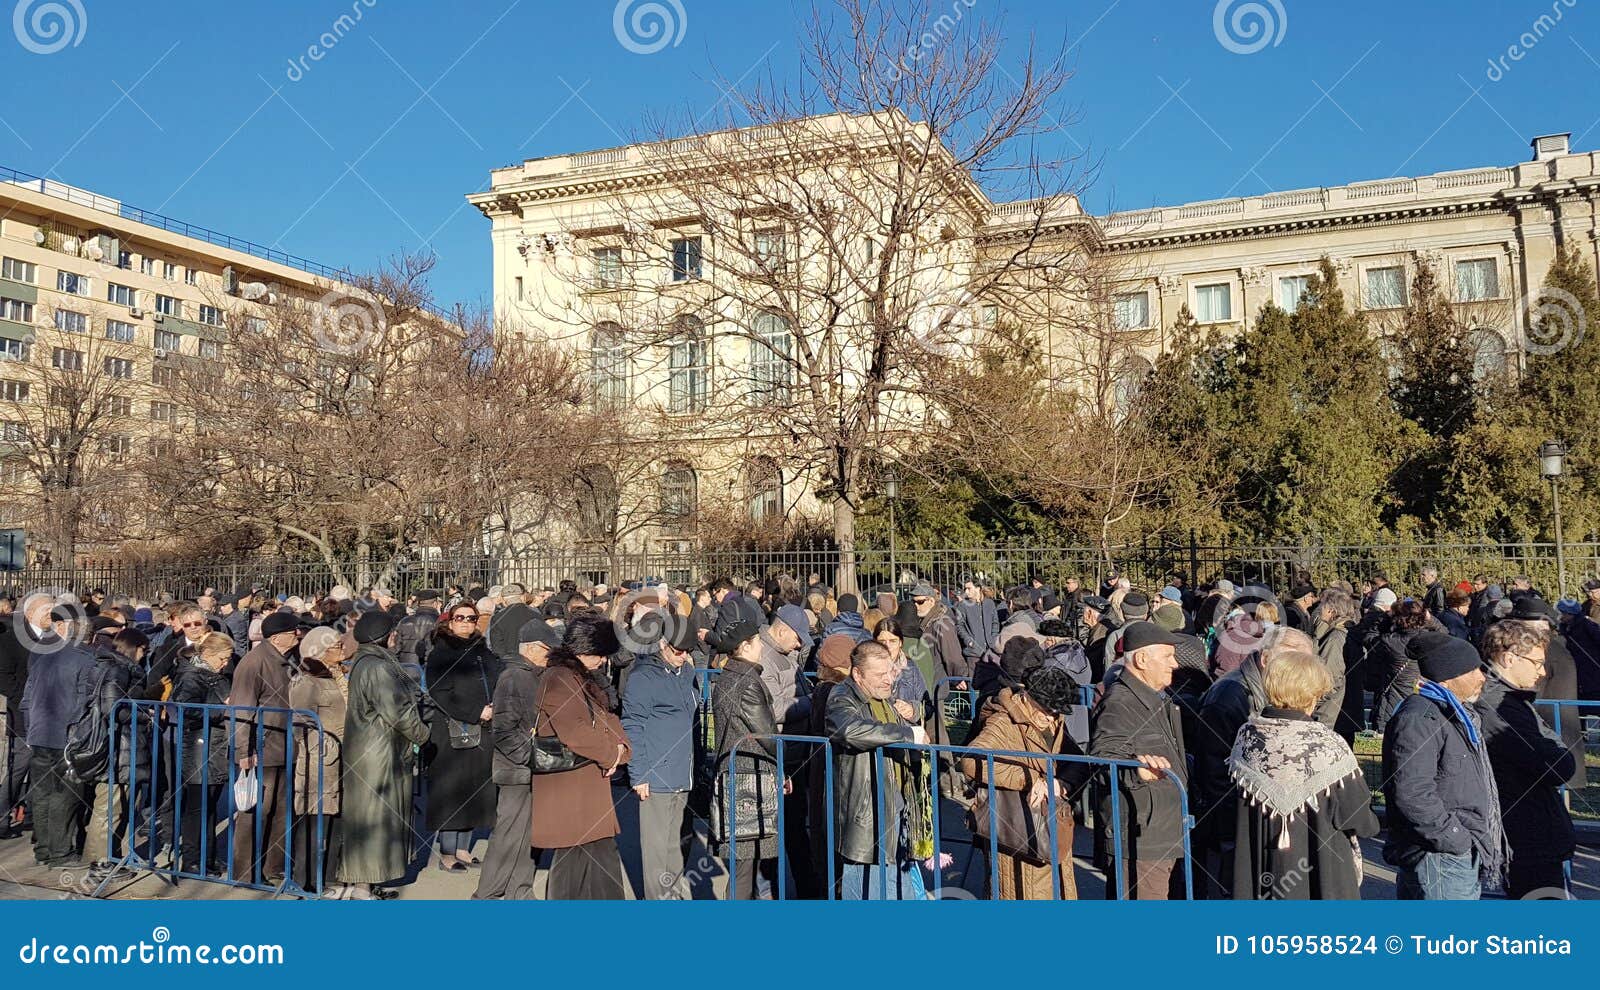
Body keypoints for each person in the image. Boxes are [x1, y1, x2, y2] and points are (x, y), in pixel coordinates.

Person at [1227, 651, 1378, 900]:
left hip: (1262, 862)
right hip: (1324, 870)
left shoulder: (1247, 737)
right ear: (1312, 694)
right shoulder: (1327, 744)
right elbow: (1356, 814)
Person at [1381, 632, 1505, 900]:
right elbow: (1411, 792)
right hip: (1440, 857)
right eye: (1473, 670)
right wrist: (1456, 839)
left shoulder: (1453, 714)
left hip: (1452, 852)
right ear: (1449, 677)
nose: (1482, 677)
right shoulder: (1420, 717)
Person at [960, 666, 1086, 899]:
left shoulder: (1053, 721)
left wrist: (1060, 784)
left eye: (1057, 711)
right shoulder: (1003, 722)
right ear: (1027, 696)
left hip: (1047, 825)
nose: (1051, 716)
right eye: (1046, 709)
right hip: (1016, 826)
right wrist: (1030, 779)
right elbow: (971, 760)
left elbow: (1077, 760)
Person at [531, 614, 631, 899]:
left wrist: (621, 749)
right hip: (570, 783)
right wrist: (612, 754)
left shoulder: (577, 676)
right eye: (599, 654)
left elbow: (603, 718)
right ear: (585, 650)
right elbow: (574, 730)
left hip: (584, 782)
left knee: (599, 853)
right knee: (573, 859)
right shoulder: (559, 678)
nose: (603, 661)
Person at [1474, 619, 1575, 899]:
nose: (1542, 673)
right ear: (1509, 658)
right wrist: (1555, 746)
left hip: (1531, 829)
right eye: (1536, 663)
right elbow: (1559, 766)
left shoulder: (1512, 700)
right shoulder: (1499, 706)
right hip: (1527, 835)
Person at [1090, 621, 1189, 899]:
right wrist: (1136, 771)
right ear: (1143, 659)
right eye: (1167, 656)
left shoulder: (1156, 697)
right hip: (1140, 838)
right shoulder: (1120, 703)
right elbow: (1101, 761)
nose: (1175, 664)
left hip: (1160, 832)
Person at [826, 639, 930, 899]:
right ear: (857, 674)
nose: (888, 680)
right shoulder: (841, 696)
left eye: (890, 673)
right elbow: (848, 730)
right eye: (880, 675)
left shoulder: (883, 698)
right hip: (866, 814)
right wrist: (907, 734)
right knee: (866, 891)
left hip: (894, 807)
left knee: (899, 891)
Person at [339, 610, 429, 900]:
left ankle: (366, 884)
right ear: (384, 636)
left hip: (371, 750)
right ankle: (363, 887)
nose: (397, 636)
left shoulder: (368, 662)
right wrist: (424, 735)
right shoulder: (378, 667)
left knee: (371, 817)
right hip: (378, 754)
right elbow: (398, 712)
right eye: (393, 632)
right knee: (374, 818)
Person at [476, 618, 555, 901]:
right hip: (517, 770)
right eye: (548, 650)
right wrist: (530, 757)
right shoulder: (514, 677)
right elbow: (504, 729)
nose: (551, 656)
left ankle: (519, 892)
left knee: (528, 834)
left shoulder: (531, 674)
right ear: (532, 649)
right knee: (508, 835)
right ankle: (486, 895)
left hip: (529, 768)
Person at [620, 621, 699, 899]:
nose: (685, 655)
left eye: (689, 650)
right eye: (680, 650)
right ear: (663, 645)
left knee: (676, 845)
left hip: (683, 772)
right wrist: (639, 774)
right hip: (656, 775)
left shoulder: (687, 670)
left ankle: (675, 895)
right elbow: (632, 726)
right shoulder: (643, 678)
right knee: (656, 849)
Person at [710, 620, 785, 899]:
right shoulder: (748, 682)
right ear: (744, 646)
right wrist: (785, 765)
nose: (761, 645)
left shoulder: (729, 676)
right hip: (750, 779)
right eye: (757, 640)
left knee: (746, 863)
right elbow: (767, 736)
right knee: (745, 865)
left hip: (739, 775)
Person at [423, 602, 501, 872]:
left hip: (484, 729)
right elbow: (439, 693)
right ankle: (446, 853)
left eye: (472, 618)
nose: (467, 622)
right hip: (452, 731)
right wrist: (475, 711)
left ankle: (462, 849)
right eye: (461, 618)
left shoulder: (483, 650)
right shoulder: (441, 654)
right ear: (449, 621)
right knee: (452, 792)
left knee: (475, 790)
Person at [20, 602, 97, 868]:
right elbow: (83, 703)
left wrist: (32, 731)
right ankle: (60, 852)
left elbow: (26, 701)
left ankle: (43, 850)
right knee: (64, 796)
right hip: (65, 738)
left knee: (42, 794)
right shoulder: (84, 659)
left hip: (40, 735)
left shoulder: (42, 657)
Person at [230, 610, 298, 884]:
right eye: (294, 632)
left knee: (281, 811)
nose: (298, 636)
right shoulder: (254, 662)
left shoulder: (287, 659)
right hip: (262, 750)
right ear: (279, 637)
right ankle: (245, 873)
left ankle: (273, 867)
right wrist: (243, 752)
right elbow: (241, 710)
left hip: (283, 746)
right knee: (255, 811)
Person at [169, 631, 232, 878]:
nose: (225, 663)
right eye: (223, 658)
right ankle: (192, 859)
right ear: (209, 654)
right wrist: (220, 712)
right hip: (197, 744)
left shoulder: (214, 675)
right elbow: (186, 710)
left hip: (213, 743)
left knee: (210, 804)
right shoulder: (192, 676)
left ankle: (208, 857)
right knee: (197, 806)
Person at [82, 627, 146, 867]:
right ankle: (100, 861)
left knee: (116, 805)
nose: (144, 654)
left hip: (123, 745)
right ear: (132, 647)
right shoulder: (117, 669)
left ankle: (110, 856)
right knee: (110, 806)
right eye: (142, 649)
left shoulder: (112, 666)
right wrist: (145, 714)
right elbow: (114, 709)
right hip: (117, 746)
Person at [289, 626, 346, 894]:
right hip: (319, 759)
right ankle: (306, 878)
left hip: (344, 755)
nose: (342, 650)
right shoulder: (306, 680)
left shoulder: (340, 674)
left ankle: (330, 873)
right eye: (336, 647)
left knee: (334, 817)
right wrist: (322, 746)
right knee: (313, 819)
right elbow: (300, 720)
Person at [1373, 598, 1430, 732]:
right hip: (1421, 697)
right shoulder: (1430, 639)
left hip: (1392, 702)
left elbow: (1369, 638)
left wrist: (1386, 619)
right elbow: (1445, 632)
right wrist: (1430, 620)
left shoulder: (1389, 641)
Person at [1310, 587, 1355, 729]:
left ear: (1331, 610)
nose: (1319, 609)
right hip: (1342, 709)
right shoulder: (1348, 631)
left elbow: (1331, 679)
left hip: (1330, 713)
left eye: (1322, 605)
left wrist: (1313, 702)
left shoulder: (1335, 638)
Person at [953, 579, 999, 672]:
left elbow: (995, 623)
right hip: (973, 654)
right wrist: (969, 641)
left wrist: (993, 639)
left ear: (978, 588)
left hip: (990, 652)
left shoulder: (989, 603)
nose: (966, 592)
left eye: (969, 588)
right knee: (974, 683)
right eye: (965, 589)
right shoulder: (962, 605)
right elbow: (959, 625)